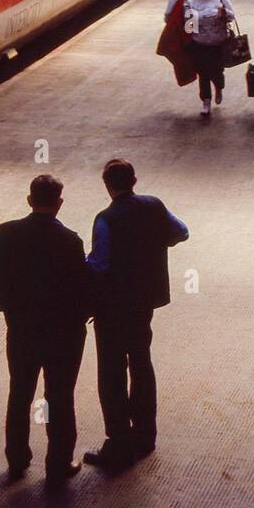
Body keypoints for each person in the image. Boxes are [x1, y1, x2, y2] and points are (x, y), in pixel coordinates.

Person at [0, 174, 93, 484]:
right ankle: (58, 462)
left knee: (20, 392)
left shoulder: (6, 233)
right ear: (59, 203)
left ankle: (17, 458)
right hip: (63, 334)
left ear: (29, 200)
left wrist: (8, 308)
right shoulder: (70, 240)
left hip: (22, 329)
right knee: (59, 396)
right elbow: (80, 287)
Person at [85, 159, 188, 473]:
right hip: (145, 301)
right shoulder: (153, 205)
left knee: (112, 370)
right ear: (134, 180)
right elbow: (181, 232)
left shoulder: (106, 219)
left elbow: (98, 265)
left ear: (107, 185)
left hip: (113, 307)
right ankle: (145, 436)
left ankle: (118, 444)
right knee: (141, 362)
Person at [164, 0, 235, 119]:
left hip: (218, 43)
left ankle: (219, 87)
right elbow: (190, 28)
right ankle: (206, 101)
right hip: (200, 44)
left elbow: (232, 16)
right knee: (203, 74)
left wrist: (224, 13)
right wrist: (189, 21)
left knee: (217, 72)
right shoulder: (192, 3)